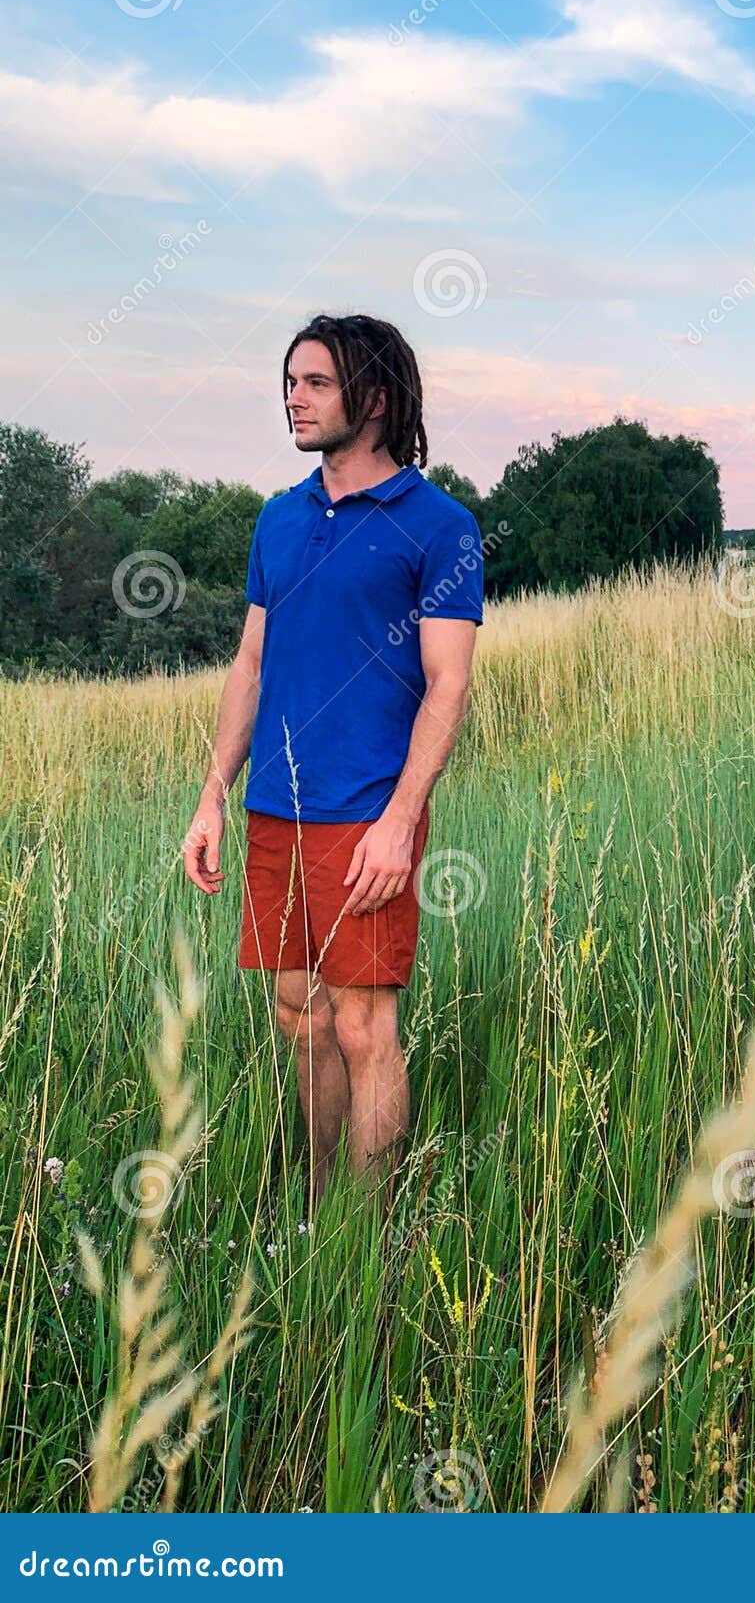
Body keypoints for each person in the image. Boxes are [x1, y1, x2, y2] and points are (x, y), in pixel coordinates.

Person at [181, 312, 484, 1203]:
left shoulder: (439, 525)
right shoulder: (278, 521)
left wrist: (400, 824)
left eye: (316, 382)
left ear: (376, 399)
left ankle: (370, 1236)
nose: (294, 397)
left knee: (362, 1025)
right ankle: (321, 1209)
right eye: (290, 380)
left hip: (366, 815)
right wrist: (212, 798)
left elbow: (449, 686)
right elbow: (249, 665)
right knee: (297, 1014)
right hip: (276, 806)